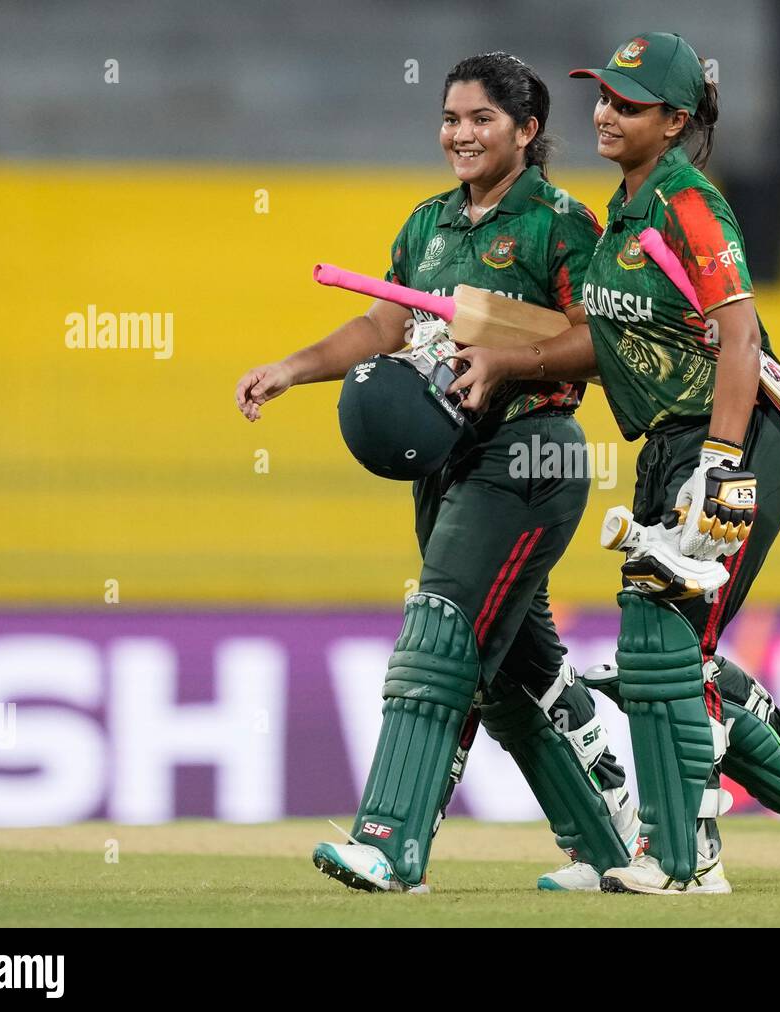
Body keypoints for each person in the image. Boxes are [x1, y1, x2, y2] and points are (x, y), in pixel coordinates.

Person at [452, 32, 780, 894]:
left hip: (732, 440)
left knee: (662, 643)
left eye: (630, 103)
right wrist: (507, 360)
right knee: (675, 648)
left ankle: (686, 861)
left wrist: (722, 465)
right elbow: (607, 344)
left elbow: (740, 336)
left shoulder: (691, 205)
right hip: (666, 448)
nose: (606, 113)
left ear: (676, 120)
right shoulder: (627, 215)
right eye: (604, 97)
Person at [234, 52, 638, 893]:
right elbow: (384, 326)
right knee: (506, 676)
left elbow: (602, 342)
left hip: (530, 455)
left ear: (526, 131)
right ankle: (614, 852)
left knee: (441, 631)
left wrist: (508, 361)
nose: (460, 133)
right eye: (451, 118)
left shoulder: (563, 225)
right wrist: (292, 367)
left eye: (481, 119)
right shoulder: (428, 225)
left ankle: (391, 842)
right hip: (452, 465)